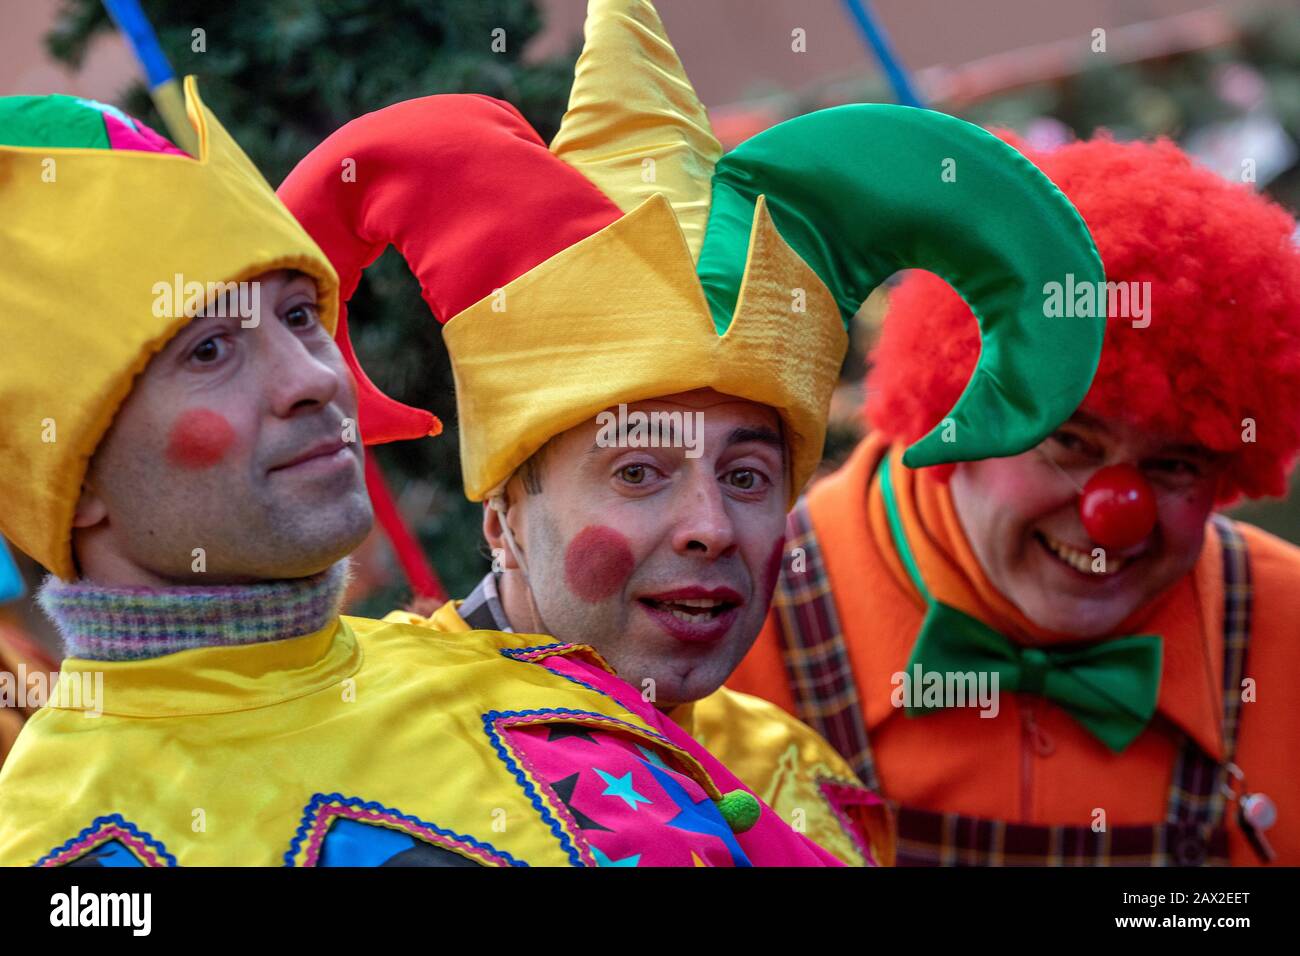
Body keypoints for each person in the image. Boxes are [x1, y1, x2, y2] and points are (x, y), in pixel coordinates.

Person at [279, 0, 1111, 868]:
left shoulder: (794, 771)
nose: (711, 525)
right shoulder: (367, 783)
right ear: (503, 517)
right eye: (638, 470)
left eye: (748, 476)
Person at [0, 85, 842, 867]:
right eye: (210, 350)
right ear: (71, 480)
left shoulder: (546, 690)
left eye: (301, 315)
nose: (315, 378)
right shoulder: (71, 856)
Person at [729, 131, 1300, 866]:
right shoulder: (739, 612)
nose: (1112, 510)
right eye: (1068, 441)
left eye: (1176, 464)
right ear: (953, 412)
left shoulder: (1285, 634)